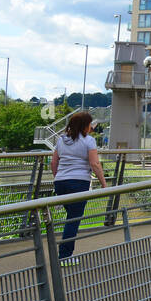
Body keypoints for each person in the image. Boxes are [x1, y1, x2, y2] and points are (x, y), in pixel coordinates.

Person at [50, 111, 108, 264]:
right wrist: (104, 184)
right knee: (73, 220)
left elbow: (54, 163)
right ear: (85, 126)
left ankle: (65, 253)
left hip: (60, 182)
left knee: (71, 217)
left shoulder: (61, 140)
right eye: (89, 125)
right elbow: (95, 164)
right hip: (79, 182)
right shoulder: (89, 141)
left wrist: (57, 178)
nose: (90, 127)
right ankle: (64, 256)